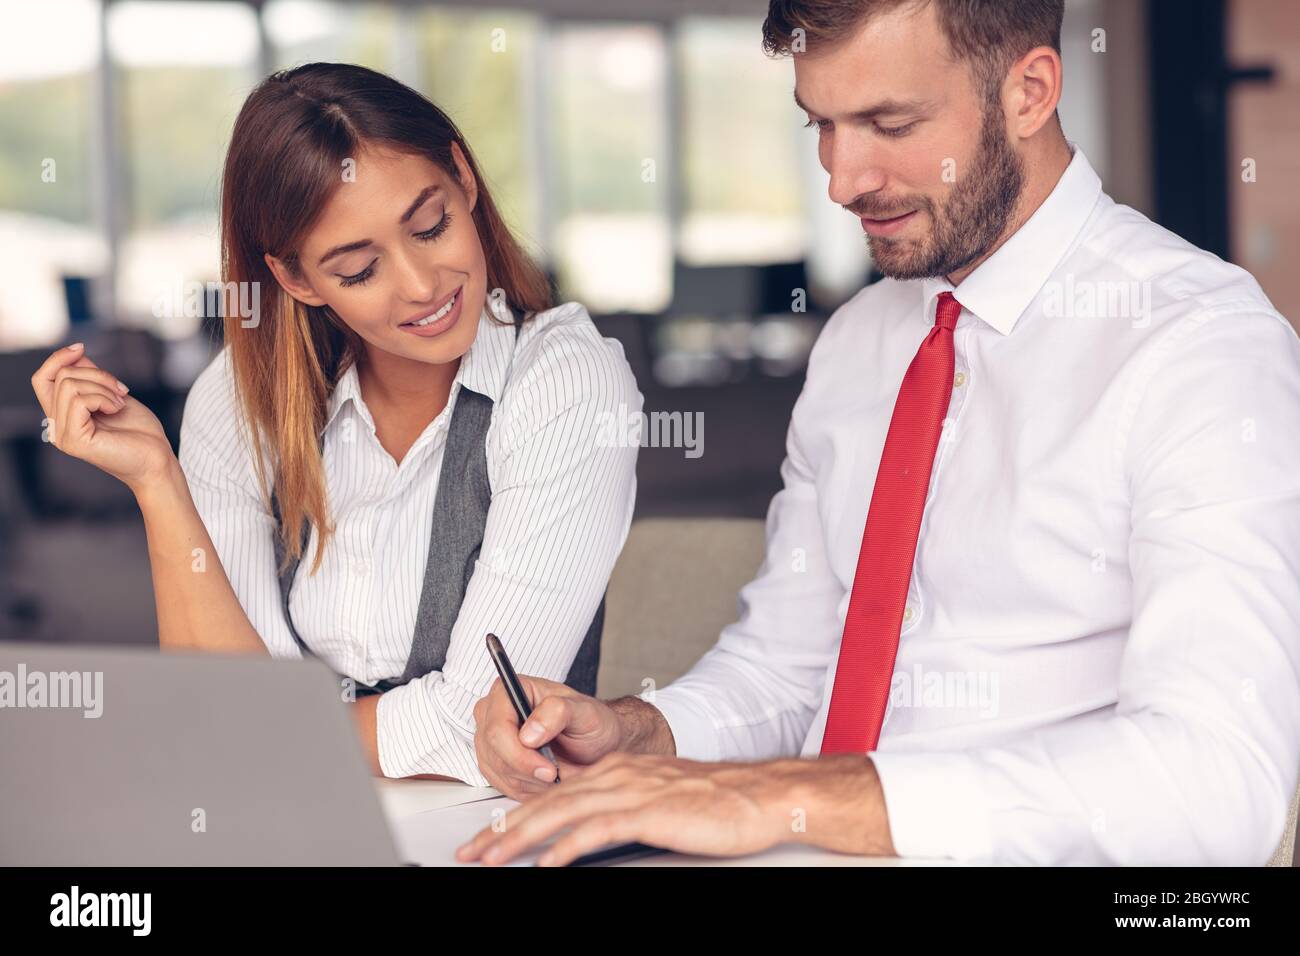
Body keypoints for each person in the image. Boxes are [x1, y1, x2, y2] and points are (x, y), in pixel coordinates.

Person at [462, 0, 1300, 866]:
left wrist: (784, 798)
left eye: (888, 123)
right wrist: (637, 735)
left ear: (1031, 92)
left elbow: (1214, 782)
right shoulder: (861, 340)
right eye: (821, 124)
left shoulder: (1200, 347)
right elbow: (786, 670)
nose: (842, 179)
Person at [30, 62, 641, 783]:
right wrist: (158, 483)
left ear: (464, 178)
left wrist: (270, 734)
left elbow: (477, 725)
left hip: (497, 831)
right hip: (300, 823)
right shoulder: (237, 399)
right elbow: (216, 703)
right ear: (294, 279)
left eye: (431, 225)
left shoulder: (566, 383)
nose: (421, 286)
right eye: (358, 270)